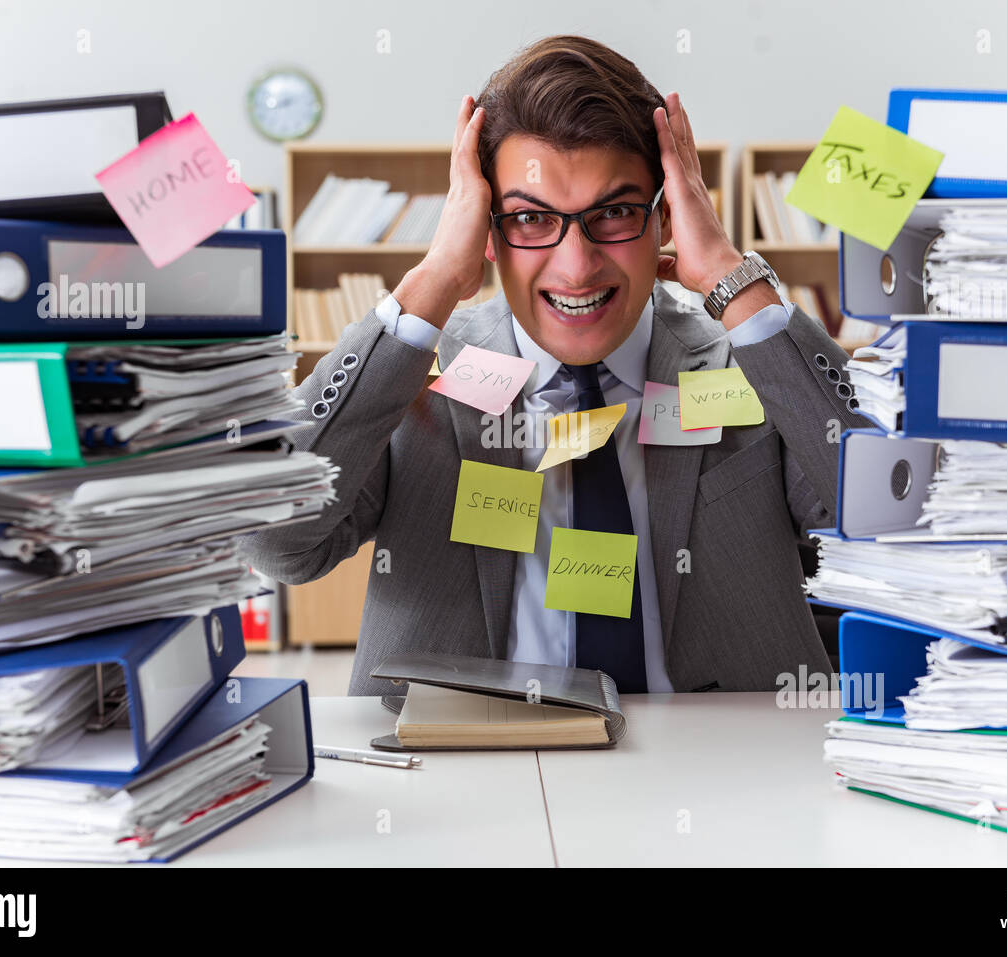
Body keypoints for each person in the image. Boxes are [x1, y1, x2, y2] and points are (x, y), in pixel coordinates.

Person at [236, 34, 868, 696]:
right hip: (464, 777)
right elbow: (275, 542)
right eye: (531, 218)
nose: (577, 265)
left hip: (726, 776)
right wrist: (432, 282)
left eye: (616, 212)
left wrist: (733, 280)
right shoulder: (415, 376)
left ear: (665, 219)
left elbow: (877, 523)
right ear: (484, 226)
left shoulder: (749, 366)